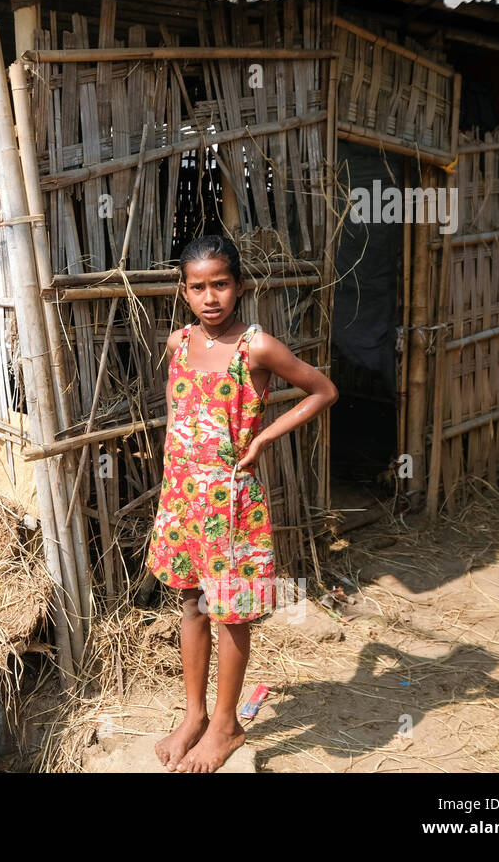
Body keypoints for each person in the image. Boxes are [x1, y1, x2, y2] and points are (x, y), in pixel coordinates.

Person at [148, 234, 338, 773]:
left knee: (230, 613)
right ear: (184, 292)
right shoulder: (177, 344)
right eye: (198, 287)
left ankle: (227, 724)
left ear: (239, 287)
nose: (211, 297)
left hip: (231, 501)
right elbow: (177, 417)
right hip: (183, 495)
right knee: (190, 604)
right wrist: (175, 475)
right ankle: (194, 716)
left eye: (221, 284)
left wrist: (262, 439)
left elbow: (322, 390)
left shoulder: (257, 346)